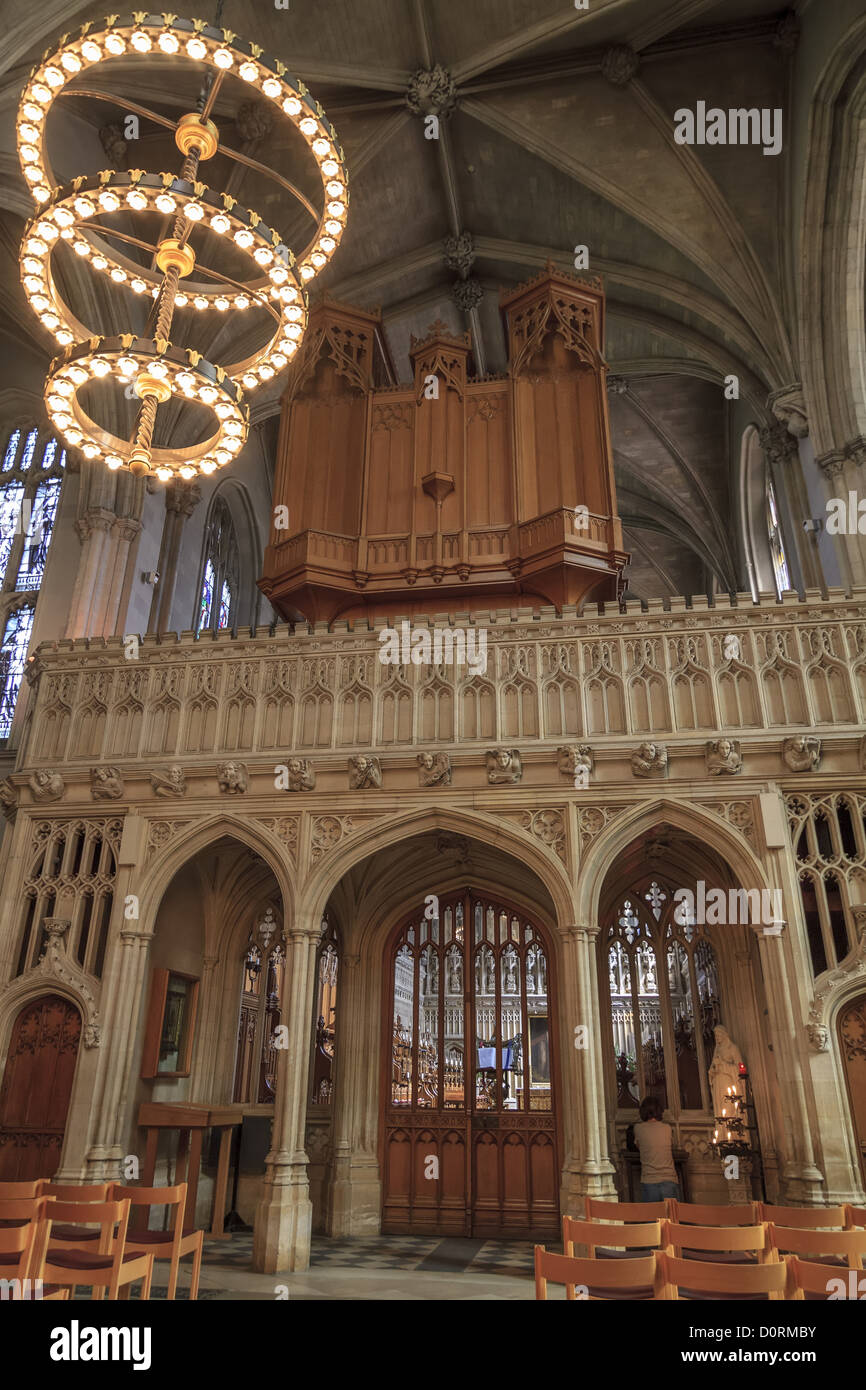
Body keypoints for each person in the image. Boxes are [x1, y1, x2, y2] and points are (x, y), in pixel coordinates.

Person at [632, 1095, 679, 1202]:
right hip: (669, 1178)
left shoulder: (638, 1128)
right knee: (671, 1217)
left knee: (652, 1217)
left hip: (649, 1180)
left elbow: (639, 1147)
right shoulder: (667, 1128)